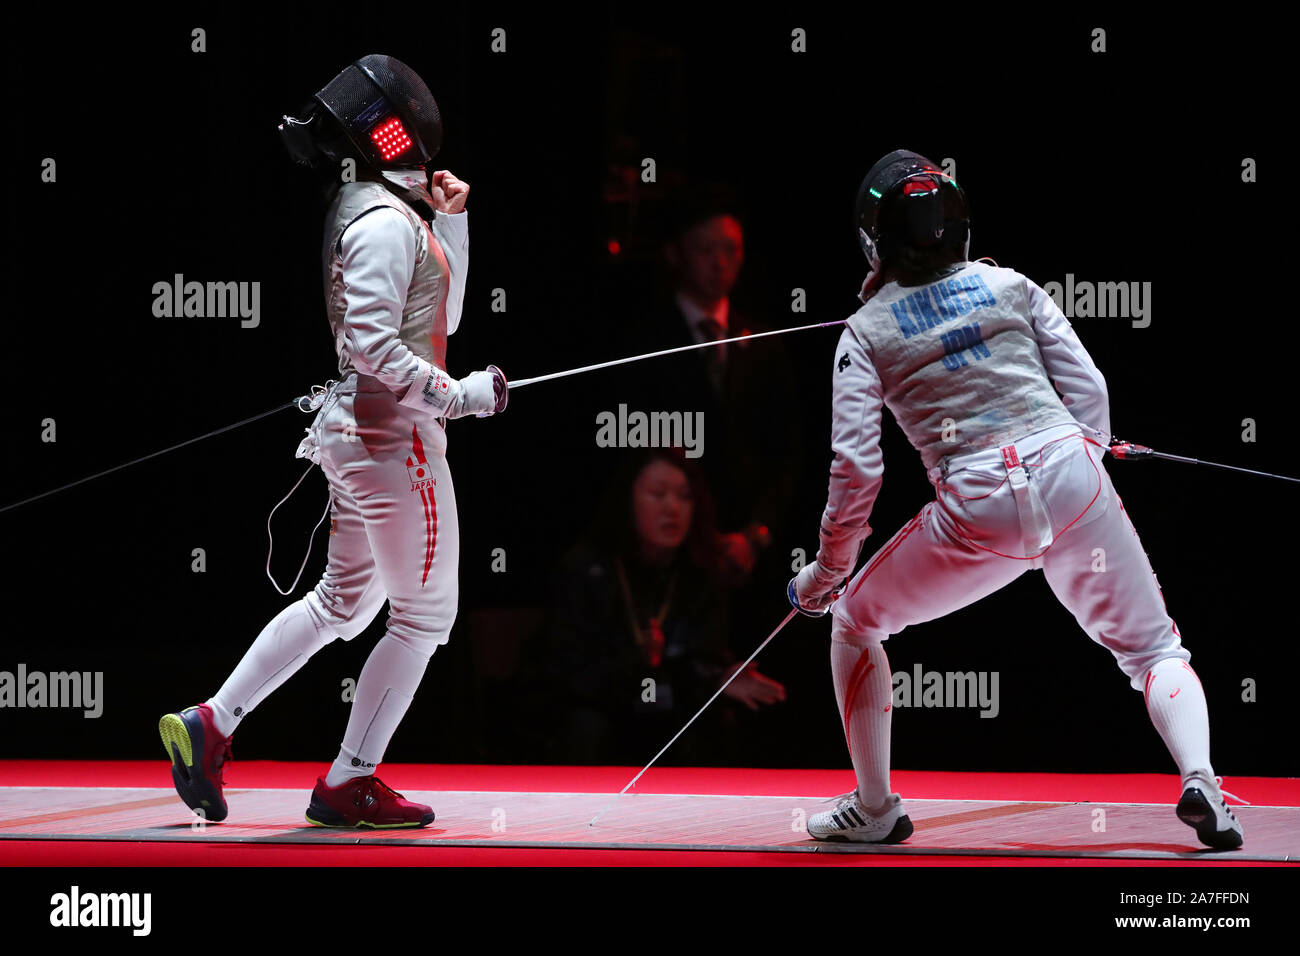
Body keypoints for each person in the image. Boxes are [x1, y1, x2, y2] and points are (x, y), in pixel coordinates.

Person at [788, 149, 1244, 850]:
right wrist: (1083, 467)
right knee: (1154, 650)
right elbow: (1088, 389)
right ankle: (1202, 779)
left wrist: (824, 573)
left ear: (874, 236)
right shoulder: (1011, 286)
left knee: (853, 619)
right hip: (1071, 473)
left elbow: (856, 470)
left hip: (977, 508)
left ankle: (876, 808)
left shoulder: (864, 333)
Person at [158, 55, 507, 829]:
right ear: (389, 133)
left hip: (366, 438)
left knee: (344, 603)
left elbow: (437, 321)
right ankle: (351, 780)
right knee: (423, 619)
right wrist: (462, 398)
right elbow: (379, 348)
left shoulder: (383, 211)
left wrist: (451, 220)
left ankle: (213, 721)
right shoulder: (383, 221)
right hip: (395, 442)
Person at [535, 448, 786, 764]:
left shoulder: (700, 571)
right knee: (585, 727)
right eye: (657, 494)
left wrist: (719, 677)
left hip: (673, 713)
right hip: (602, 710)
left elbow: (702, 657)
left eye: (684, 496)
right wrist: (636, 659)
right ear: (628, 499)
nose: (672, 508)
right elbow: (562, 673)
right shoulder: (586, 569)